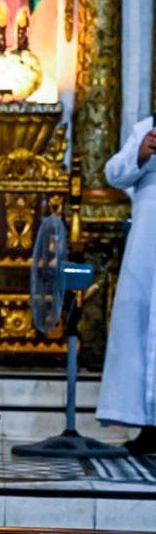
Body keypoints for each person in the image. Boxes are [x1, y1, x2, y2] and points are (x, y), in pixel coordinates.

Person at [96, 116, 156, 456]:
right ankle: (147, 424)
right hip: (147, 251)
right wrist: (142, 154)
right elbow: (114, 172)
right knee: (141, 335)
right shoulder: (147, 127)